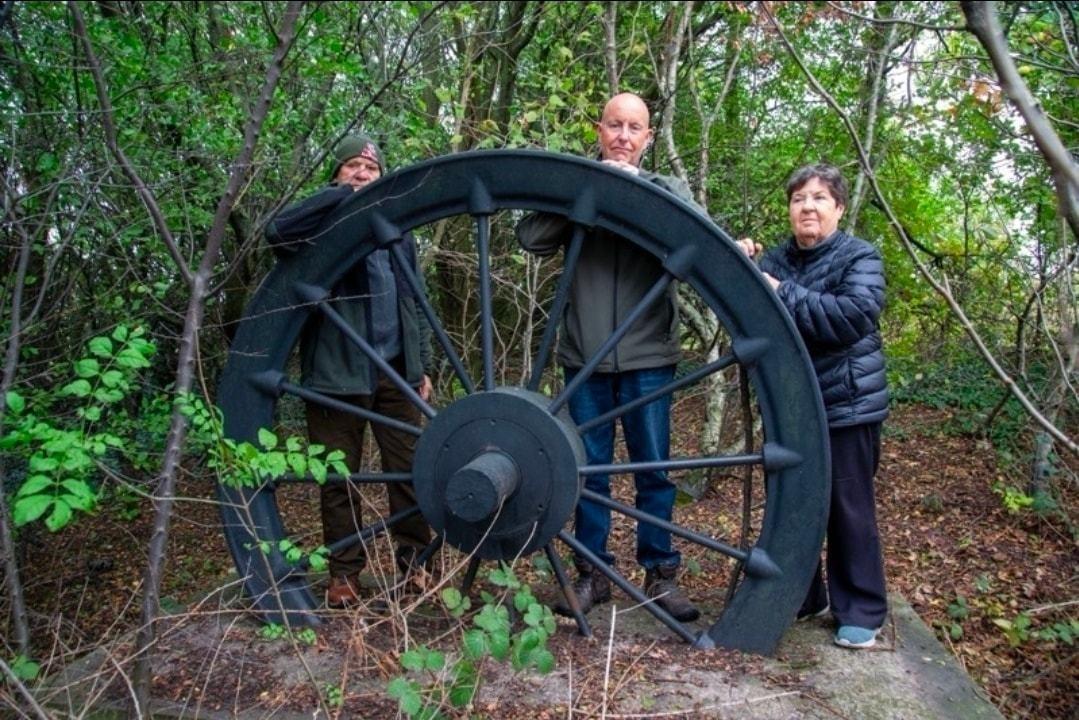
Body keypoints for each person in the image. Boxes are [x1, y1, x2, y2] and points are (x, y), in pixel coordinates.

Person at [516, 93, 706, 622]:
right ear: (599, 131)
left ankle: (660, 574)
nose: (623, 135)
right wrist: (585, 188)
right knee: (589, 473)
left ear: (648, 139)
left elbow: (698, 242)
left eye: (635, 127)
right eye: (615, 125)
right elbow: (531, 236)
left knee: (655, 471)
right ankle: (591, 575)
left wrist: (641, 192)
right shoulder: (583, 183)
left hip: (649, 355)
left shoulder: (667, 191)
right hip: (585, 359)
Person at [265, 133, 434, 607]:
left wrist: (422, 363)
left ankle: (416, 566)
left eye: (371, 169)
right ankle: (345, 574)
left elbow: (417, 301)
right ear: (337, 173)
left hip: (396, 373)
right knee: (339, 478)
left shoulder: (398, 234)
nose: (362, 175)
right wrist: (342, 199)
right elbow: (277, 232)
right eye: (352, 167)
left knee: (407, 471)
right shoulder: (321, 232)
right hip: (337, 373)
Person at [736, 163, 889, 648]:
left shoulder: (859, 257)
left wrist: (780, 293)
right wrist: (741, 265)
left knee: (848, 510)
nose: (808, 207)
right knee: (793, 506)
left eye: (820, 198)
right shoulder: (777, 260)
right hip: (791, 408)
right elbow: (751, 316)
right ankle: (804, 595)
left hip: (847, 404)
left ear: (839, 209)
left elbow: (851, 317)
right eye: (799, 198)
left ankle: (861, 609)